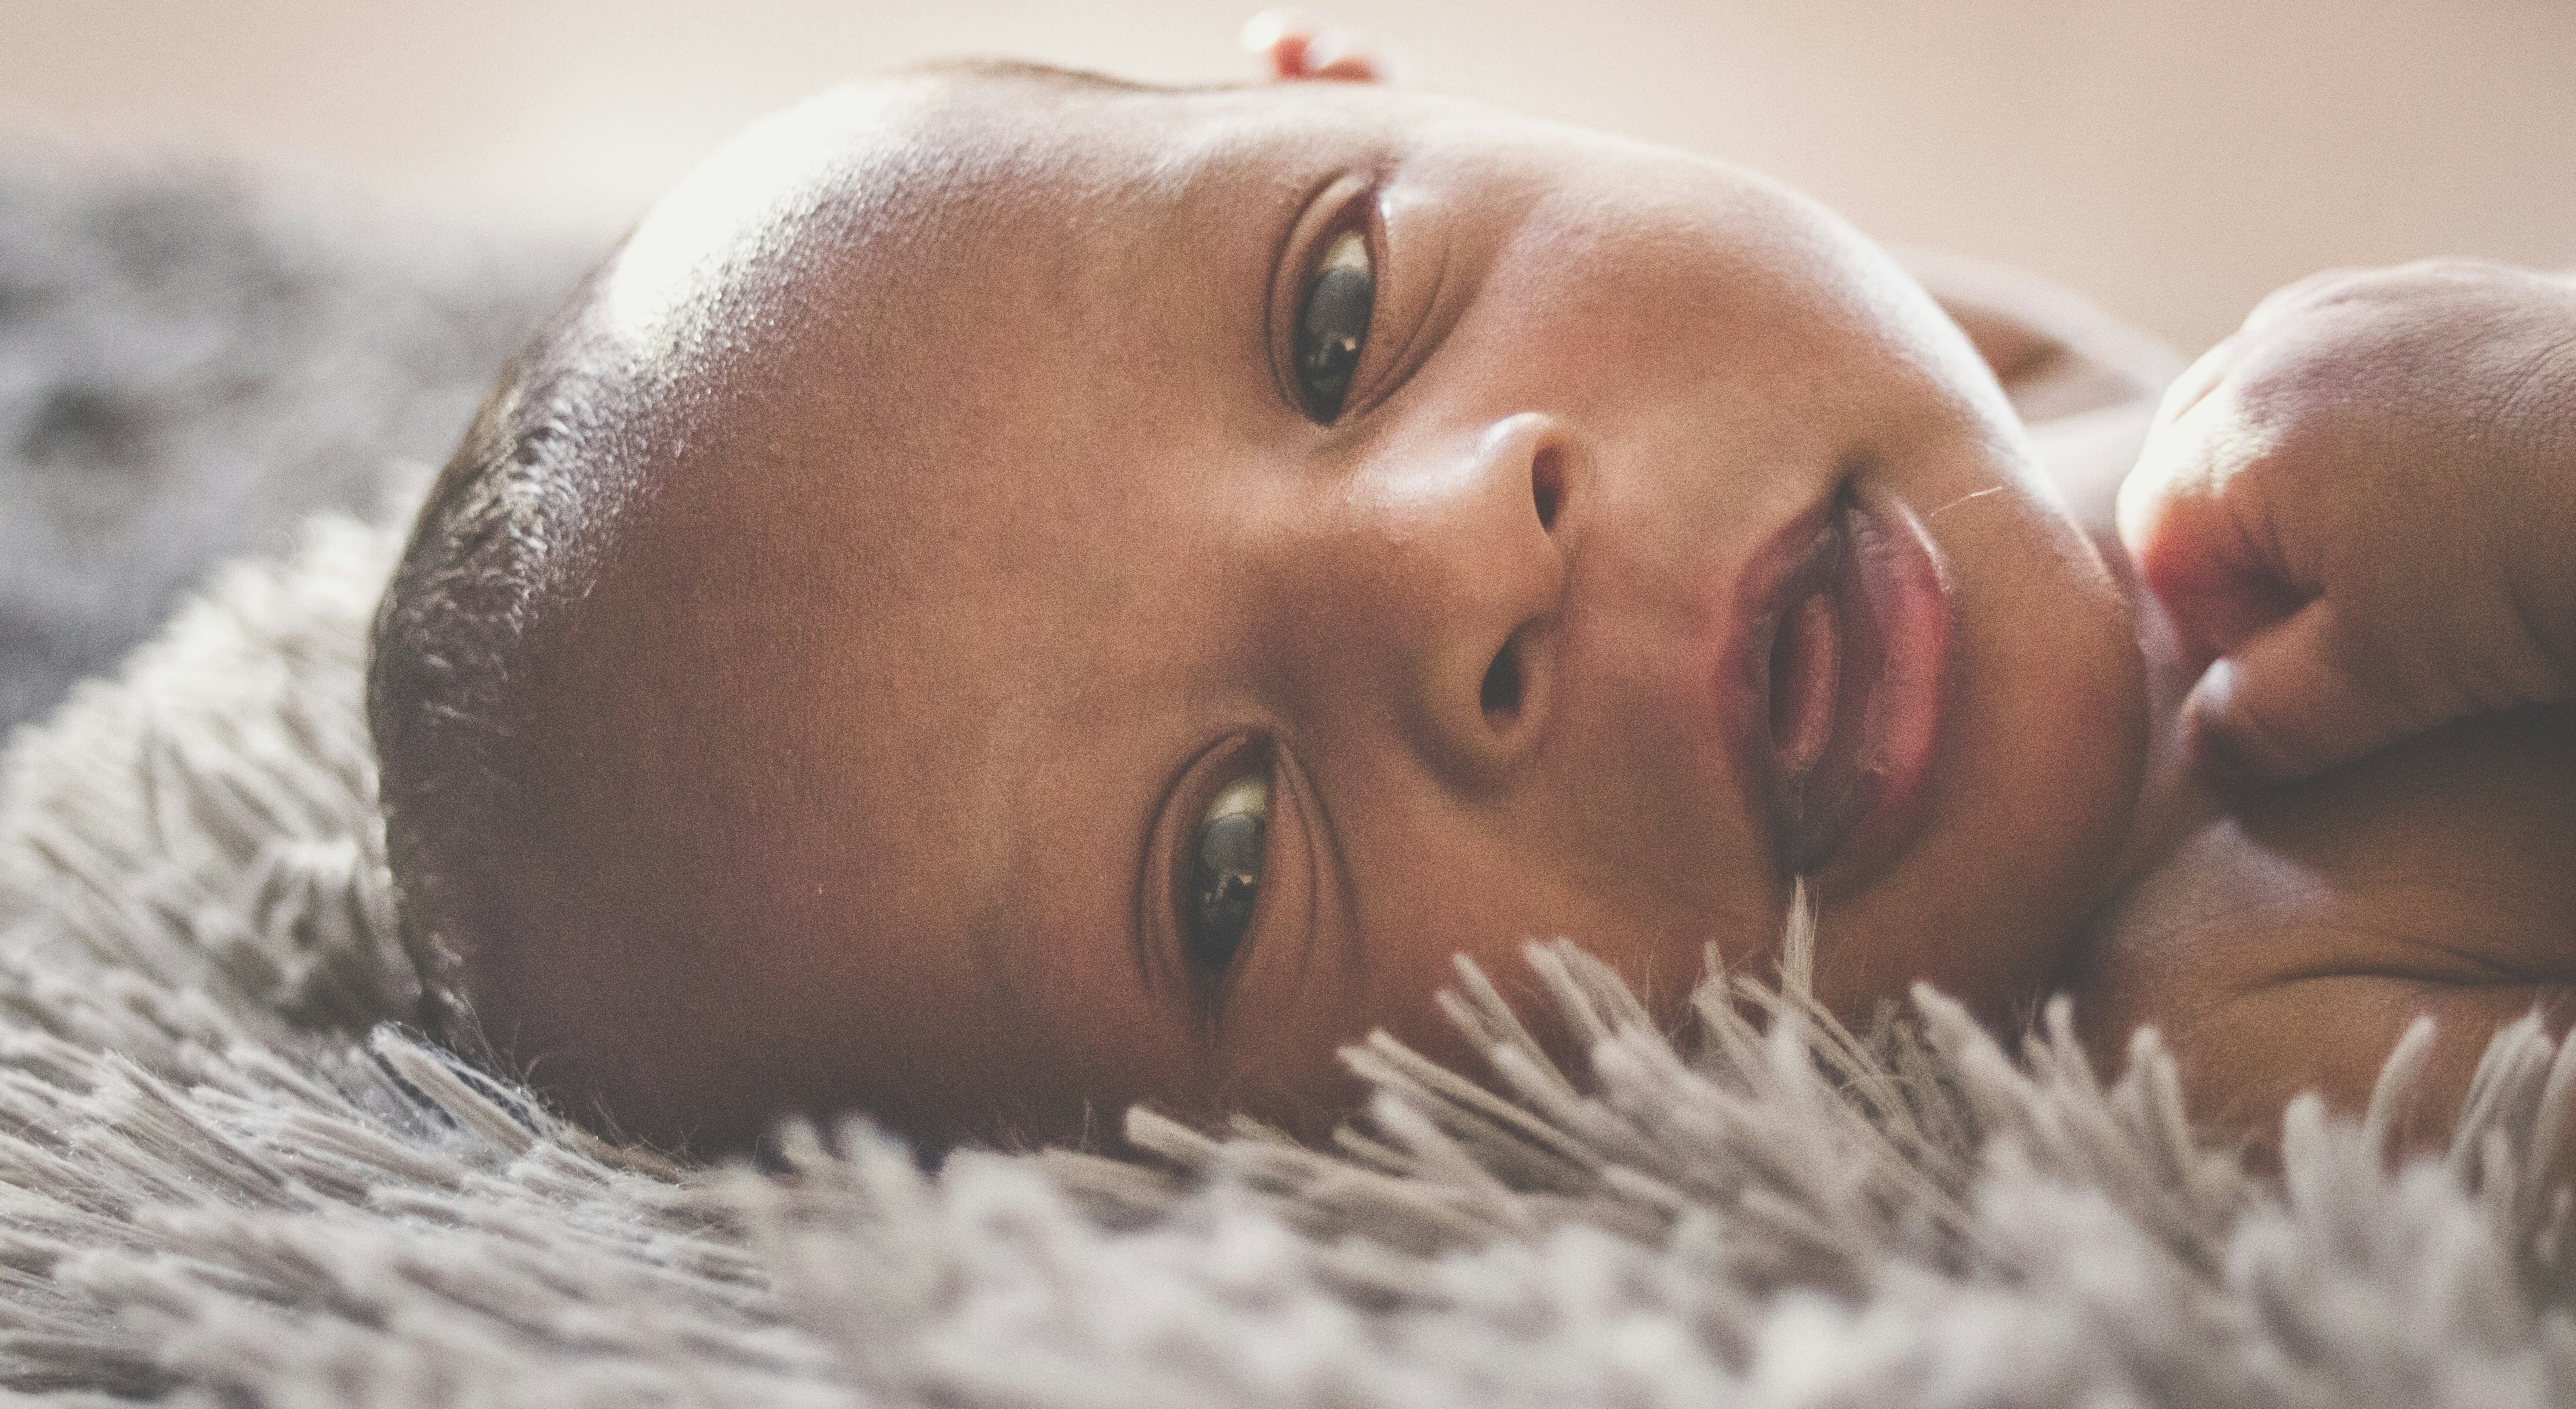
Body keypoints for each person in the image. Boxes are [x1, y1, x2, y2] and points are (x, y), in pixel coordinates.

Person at [365, 18, 2574, 1161]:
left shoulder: (1951, 373)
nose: (1452, 560)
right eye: (1222, 864)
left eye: (1337, 318)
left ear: (1377, 86)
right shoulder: (2278, 1054)